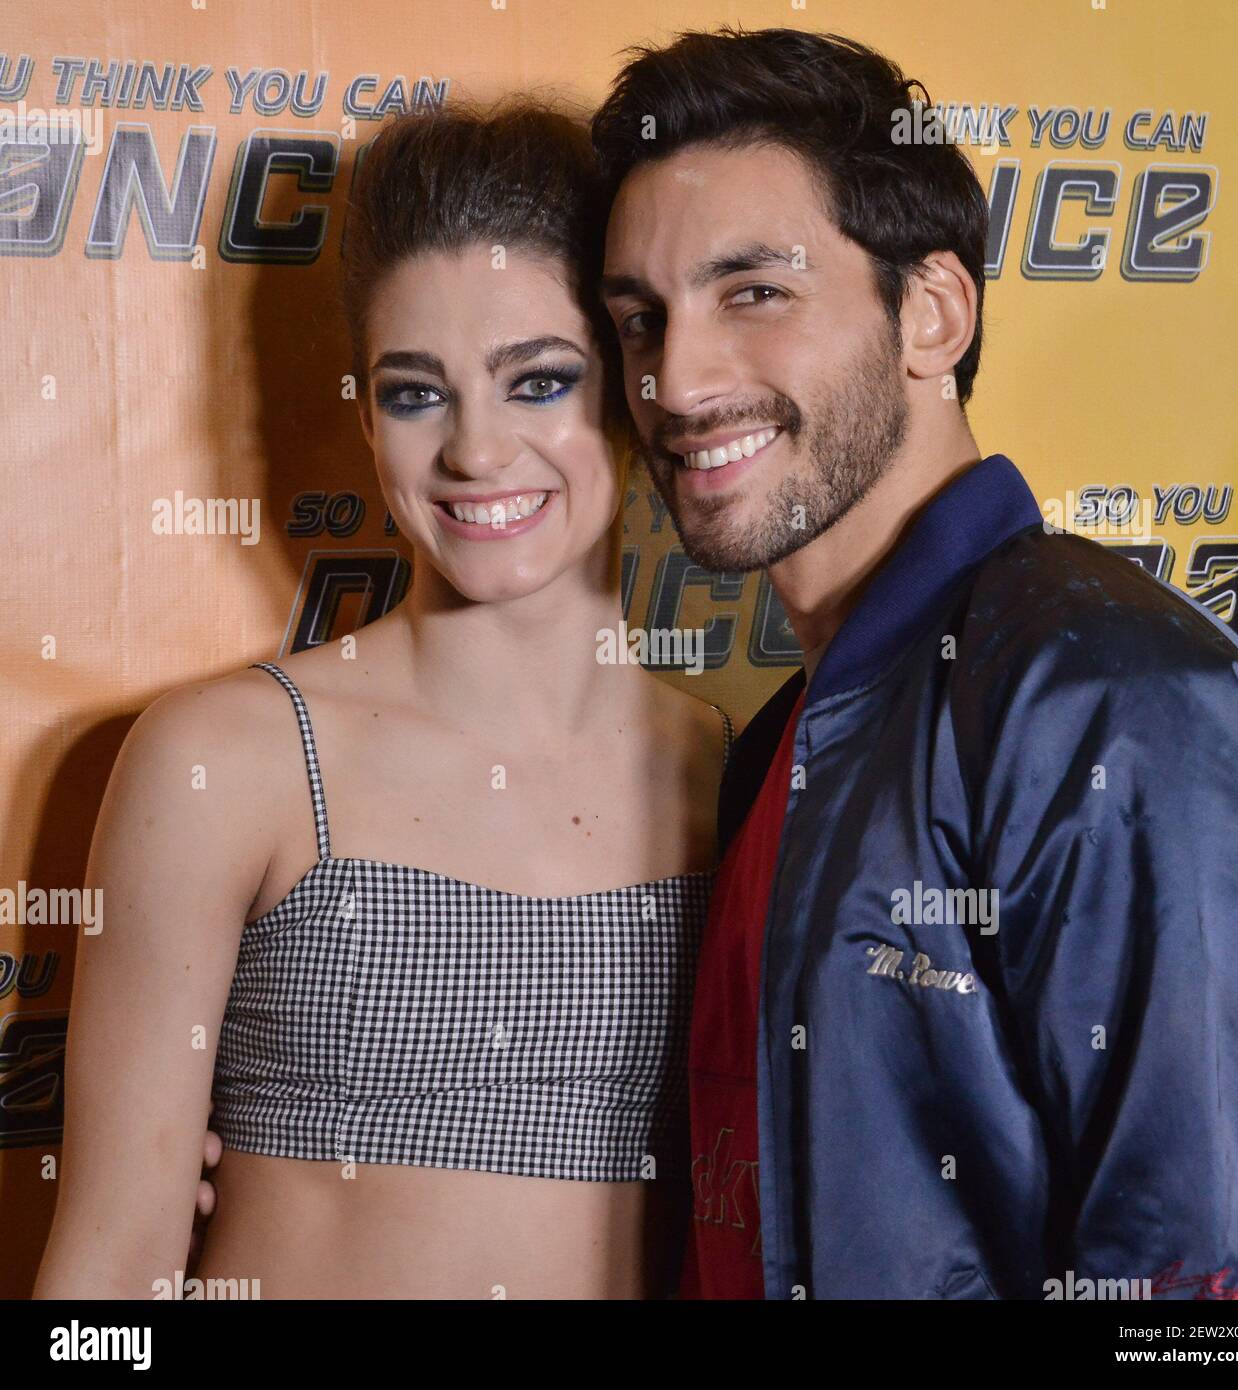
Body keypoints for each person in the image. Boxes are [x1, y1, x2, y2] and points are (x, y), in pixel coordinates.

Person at [589, 26, 1238, 1299]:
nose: (675, 378)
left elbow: (1225, 1284)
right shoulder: (790, 735)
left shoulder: (1108, 699)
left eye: (753, 291)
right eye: (642, 318)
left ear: (931, 312)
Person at [34, 99, 732, 1301]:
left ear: (629, 391)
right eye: (417, 392)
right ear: (364, 417)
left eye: (539, 382)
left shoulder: (736, 768)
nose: (474, 449)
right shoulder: (223, 758)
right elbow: (104, 1276)